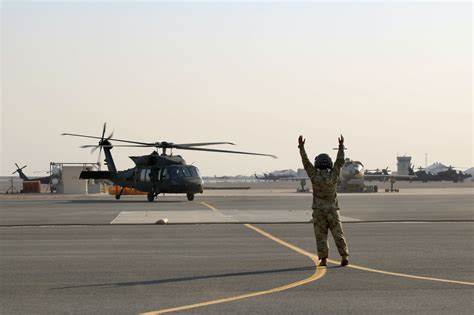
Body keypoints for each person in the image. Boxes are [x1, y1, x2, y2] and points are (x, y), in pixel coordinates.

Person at [298, 134, 349, 267]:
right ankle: (344, 256)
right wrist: (341, 146)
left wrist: (301, 147)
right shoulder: (334, 174)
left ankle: (324, 259)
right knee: (338, 234)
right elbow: (340, 161)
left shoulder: (314, 175)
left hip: (319, 211)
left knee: (321, 236)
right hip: (333, 210)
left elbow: (306, 162)